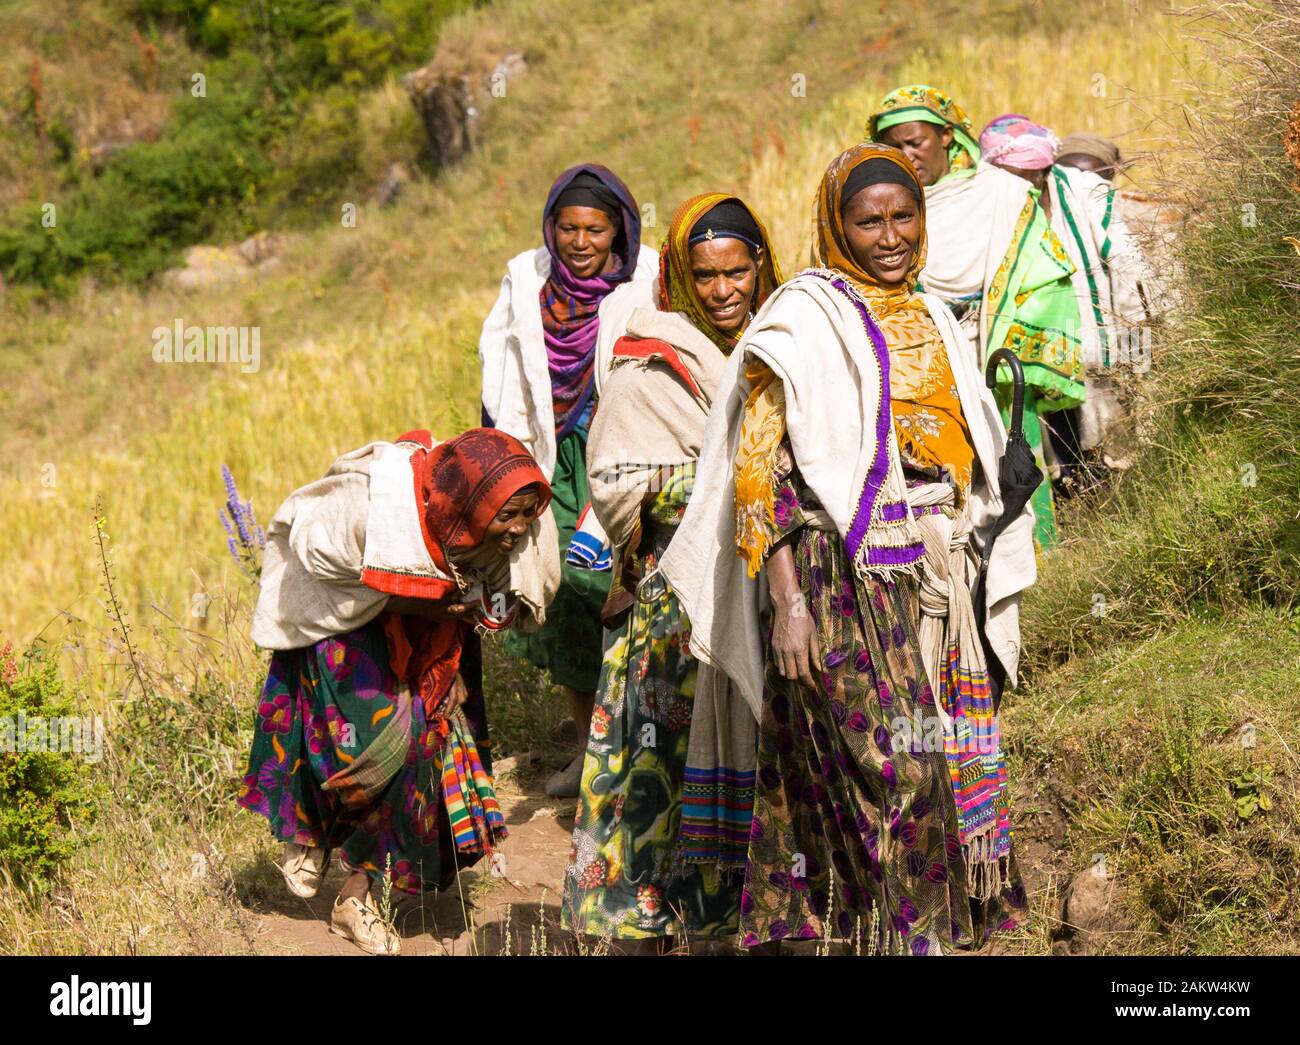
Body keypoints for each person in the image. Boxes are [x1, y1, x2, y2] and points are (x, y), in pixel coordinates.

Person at [661, 144, 1035, 954]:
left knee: (894, 758)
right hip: (836, 575)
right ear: (837, 224)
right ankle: (914, 938)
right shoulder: (803, 316)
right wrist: (788, 600)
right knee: (898, 765)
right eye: (870, 221)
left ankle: (861, 930)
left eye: (904, 216)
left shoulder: (933, 312)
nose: (891, 235)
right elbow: (762, 471)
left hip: (932, 562)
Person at [239, 427, 558, 954]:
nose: (519, 529)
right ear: (472, 502)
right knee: (349, 744)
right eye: (509, 516)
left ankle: (356, 897)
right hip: (347, 623)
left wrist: (453, 658)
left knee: (415, 755)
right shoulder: (371, 516)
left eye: (528, 514)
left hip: (435, 643)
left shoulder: (499, 535)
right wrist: (413, 603)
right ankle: (313, 834)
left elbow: (481, 597)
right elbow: (324, 563)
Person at [562, 194, 782, 950]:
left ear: (761, 267)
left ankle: (730, 922)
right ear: (681, 278)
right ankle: (645, 923)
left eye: (737, 271)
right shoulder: (650, 358)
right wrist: (713, 480)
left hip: (761, 594)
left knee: (745, 766)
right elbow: (618, 486)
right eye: (706, 274)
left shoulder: (782, 345)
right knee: (658, 766)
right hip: (670, 609)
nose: (724, 290)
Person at [479, 164, 658, 797]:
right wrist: (502, 460)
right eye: (569, 228)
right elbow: (500, 372)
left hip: (624, 451)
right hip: (545, 459)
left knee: (610, 583)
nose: (582, 243)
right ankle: (587, 743)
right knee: (553, 589)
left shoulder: (646, 283)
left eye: (597, 230)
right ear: (552, 227)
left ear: (619, 232)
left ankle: (638, 737)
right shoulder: (527, 283)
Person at [868, 86, 1084, 546]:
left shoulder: (1001, 194)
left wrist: (1002, 344)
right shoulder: (875, 212)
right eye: (892, 147)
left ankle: (1033, 572)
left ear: (946, 135)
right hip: (919, 371)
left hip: (994, 360)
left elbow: (1045, 272)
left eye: (914, 142)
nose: (905, 155)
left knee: (1014, 470)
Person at [985, 116, 1155, 486]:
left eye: (1034, 173)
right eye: (1016, 175)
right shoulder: (993, 205)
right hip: (1037, 354)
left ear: (1046, 168)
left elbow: (1127, 266)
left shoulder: (1083, 193)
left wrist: (1137, 341)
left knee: (1113, 444)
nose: (1027, 183)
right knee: (1058, 451)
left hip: (1097, 346)